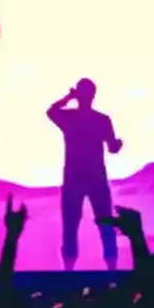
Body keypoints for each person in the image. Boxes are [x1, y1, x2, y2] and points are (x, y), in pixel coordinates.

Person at [47, 79, 123, 271]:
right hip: (79, 179)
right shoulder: (74, 118)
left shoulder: (99, 120)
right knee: (76, 223)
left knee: (101, 222)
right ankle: (73, 268)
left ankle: (107, 266)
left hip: (89, 178)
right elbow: (51, 112)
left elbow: (112, 146)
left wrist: (116, 145)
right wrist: (69, 98)